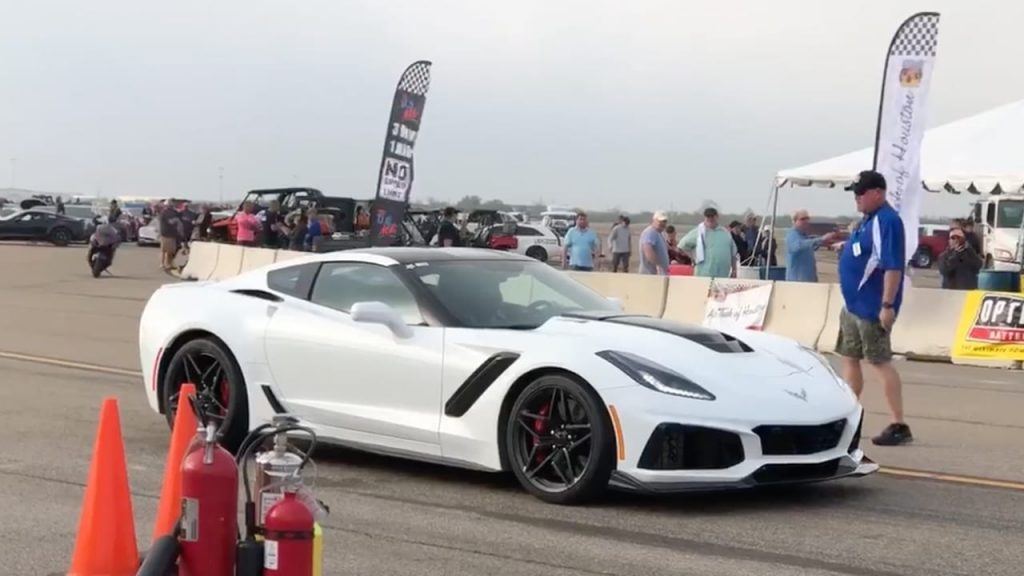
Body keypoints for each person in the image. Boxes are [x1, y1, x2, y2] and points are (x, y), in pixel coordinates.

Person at [837, 170, 911, 446]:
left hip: (871, 306)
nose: (857, 198)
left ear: (878, 193)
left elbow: (892, 266)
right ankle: (847, 414)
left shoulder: (887, 221)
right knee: (849, 356)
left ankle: (898, 423)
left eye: (861, 193)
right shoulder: (866, 221)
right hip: (852, 305)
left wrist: (887, 304)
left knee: (879, 361)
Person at [680, 207, 737, 278]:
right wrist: (693, 257)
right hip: (703, 275)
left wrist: (734, 270)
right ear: (705, 218)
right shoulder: (699, 232)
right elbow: (681, 246)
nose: (710, 219)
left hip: (722, 275)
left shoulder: (726, 233)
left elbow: (733, 253)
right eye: (708, 217)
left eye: (712, 216)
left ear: (717, 217)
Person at [785, 209, 837, 282]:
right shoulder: (792, 234)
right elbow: (798, 246)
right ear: (794, 221)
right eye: (802, 219)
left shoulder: (806, 236)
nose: (806, 221)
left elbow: (812, 245)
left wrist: (826, 242)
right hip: (797, 282)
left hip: (810, 280)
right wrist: (821, 239)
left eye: (807, 218)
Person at [158, 203, 181, 271]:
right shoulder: (164, 213)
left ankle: (168, 264)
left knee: (169, 251)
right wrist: (175, 220)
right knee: (164, 250)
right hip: (166, 234)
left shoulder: (174, 213)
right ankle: (163, 264)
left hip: (171, 234)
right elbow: (170, 222)